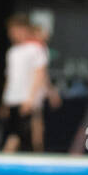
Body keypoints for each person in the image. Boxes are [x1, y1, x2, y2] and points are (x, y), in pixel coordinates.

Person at [0, 14, 48, 153]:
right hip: (12, 100)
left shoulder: (35, 49)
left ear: (24, 29)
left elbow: (39, 74)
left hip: (27, 100)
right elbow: (9, 78)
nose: (12, 34)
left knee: (28, 137)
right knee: (15, 135)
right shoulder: (12, 52)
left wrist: (31, 98)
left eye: (14, 30)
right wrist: (4, 101)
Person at [28, 21, 61, 152]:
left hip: (33, 94)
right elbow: (41, 75)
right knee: (34, 125)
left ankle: (36, 151)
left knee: (37, 124)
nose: (46, 34)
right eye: (42, 32)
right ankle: (37, 152)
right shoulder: (36, 49)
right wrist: (52, 93)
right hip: (30, 94)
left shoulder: (39, 48)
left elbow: (43, 74)